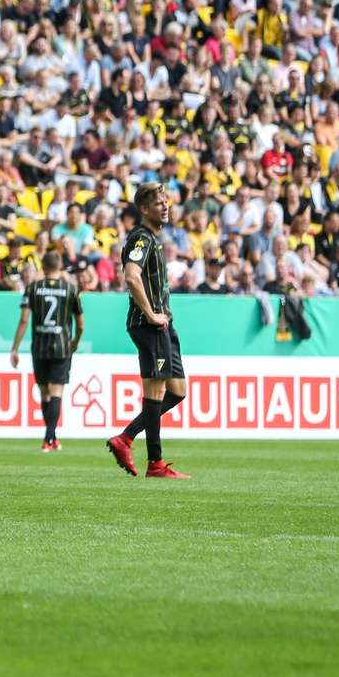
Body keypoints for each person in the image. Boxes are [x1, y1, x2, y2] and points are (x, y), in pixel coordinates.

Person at [107, 184, 190, 480]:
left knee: (177, 391)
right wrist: (151, 313)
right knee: (155, 392)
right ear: (144, 209)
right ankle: (155, 463)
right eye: (158, 203)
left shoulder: (153, 239)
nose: (165, 206)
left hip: (164, 323)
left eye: (166, 201)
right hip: (149, 324)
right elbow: (131, 276)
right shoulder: (141, 238)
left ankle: (126, 438)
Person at [11, 250, 84, 451]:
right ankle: (50, 437)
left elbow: (24, 320)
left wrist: (15, 348)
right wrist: (76, 341)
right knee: (57, 391)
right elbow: (81, 323)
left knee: (45, 392)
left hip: (40, 347)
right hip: (62, 346)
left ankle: (49, 437)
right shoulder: (71, 289)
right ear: (60, 266)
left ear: (42, 266)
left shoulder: (33, 288)